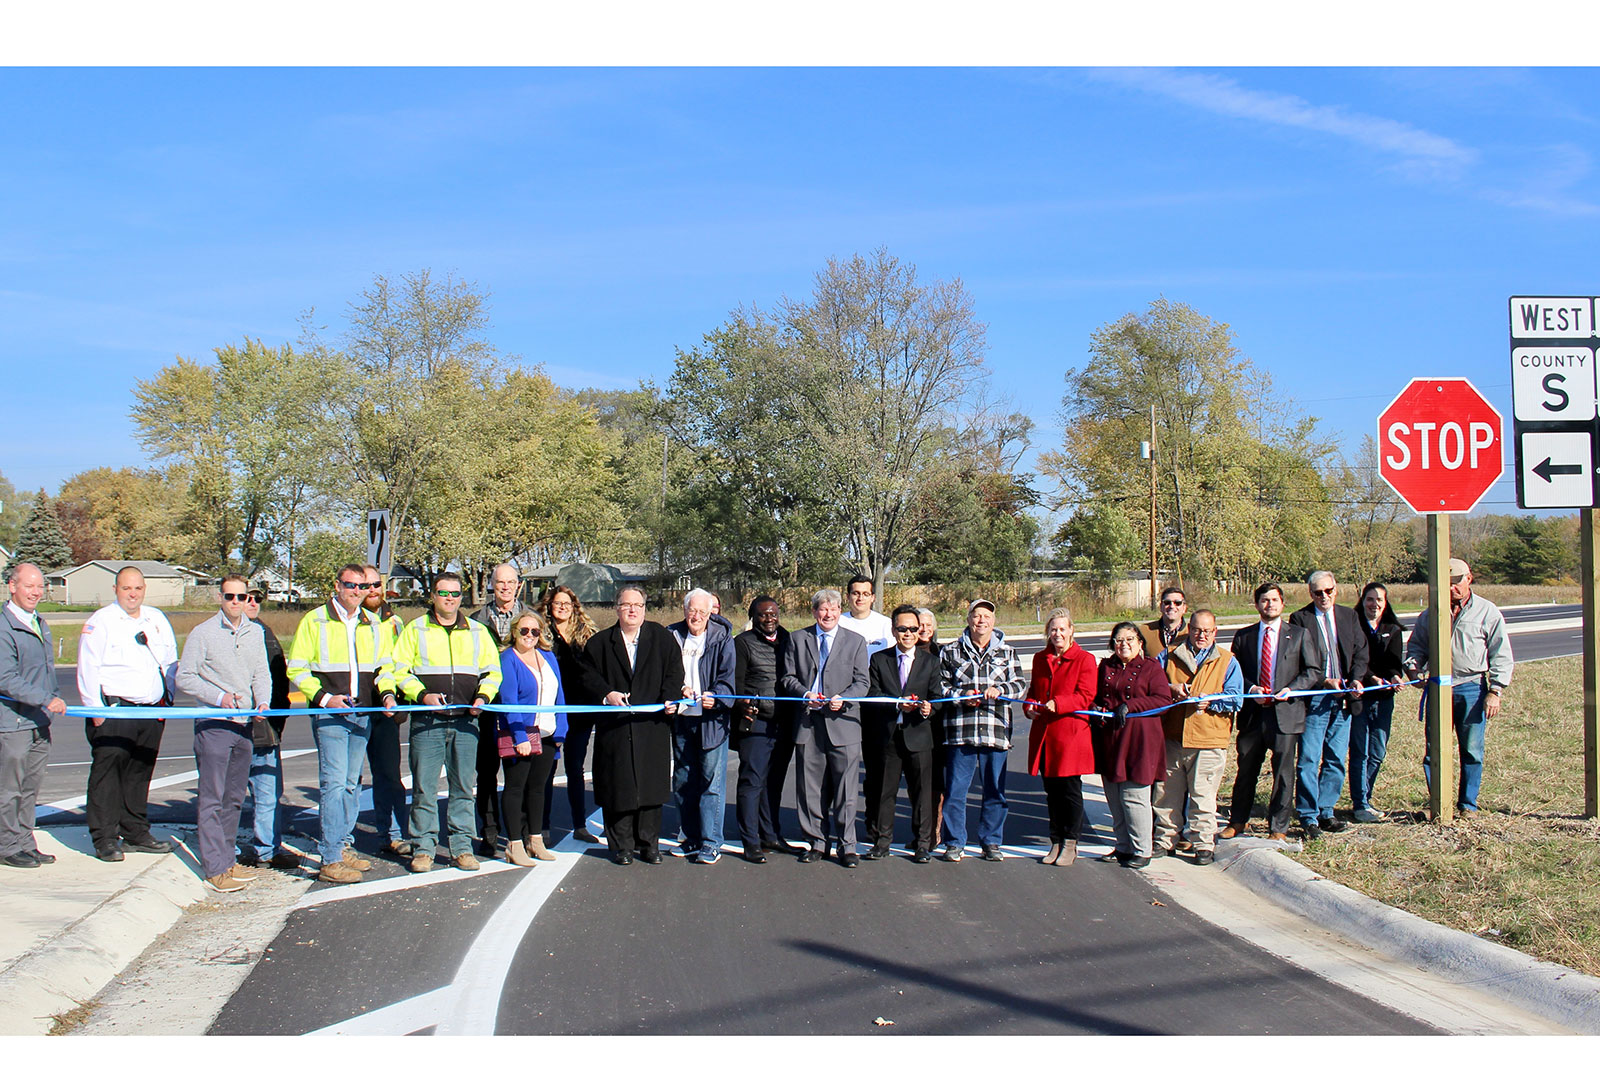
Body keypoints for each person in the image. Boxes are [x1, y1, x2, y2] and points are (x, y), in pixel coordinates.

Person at [286, 563, 396, 884]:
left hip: (363, 713)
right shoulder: (315, 620)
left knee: (351, 783)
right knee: (333, 784)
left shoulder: (373, 622)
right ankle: (330, 857)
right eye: (350, 586)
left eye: (362, 587)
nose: (357, 592)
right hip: (330, 714)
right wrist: (324, 698)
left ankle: (344, 844)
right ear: (337, 586)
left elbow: (384, 666)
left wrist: (387, 694)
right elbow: (297, 669)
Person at [387, 573, 502, 873]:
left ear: (461, 597)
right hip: (427, 723)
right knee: (424, 788)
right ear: (433, 595)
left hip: (466, 723)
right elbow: (399, 671)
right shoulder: (415, 630)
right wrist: (422, 695)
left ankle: (461, 848)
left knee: (463, 787)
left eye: (455, 593)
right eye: (443, 593)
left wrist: (483, 697)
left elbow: (493, 672)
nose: (449, 598)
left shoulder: (477, 631)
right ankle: (423, 848)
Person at [74, 565, 179, 863]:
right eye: (126, 588)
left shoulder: (156, 619)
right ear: (115, 590)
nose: (132, 594)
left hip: (150, 711)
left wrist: (165, 701)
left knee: (139, 772)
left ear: (144, 590)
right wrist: (96, 710)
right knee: (108, 775)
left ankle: (135, 832)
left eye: (137, 589)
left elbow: (170, 662)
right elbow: (88, 668)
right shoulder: (102, 621)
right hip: (114, 710)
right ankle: (105, 838)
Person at [177, 575, 272, 893]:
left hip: (244, 726)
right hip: (214, 726)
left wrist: (262, 701)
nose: (236, 601)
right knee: (212, 798)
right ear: (220, 597)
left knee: (234, 798)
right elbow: (185, 677)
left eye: (242, 597)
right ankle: (214, 868)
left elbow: (261, 672)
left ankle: (227, 861)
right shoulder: (202, 633)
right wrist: (219, 698)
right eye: (230, 596)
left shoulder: (255, 632)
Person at [579, 586, 686, 865]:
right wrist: (606, 694)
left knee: (651, 787)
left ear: (644, 609)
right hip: (615, 726)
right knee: (618, 787)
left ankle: (649, 844)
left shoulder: (661, 638)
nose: (632, 610)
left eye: (637, 605)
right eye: (626, 605)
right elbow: (587, 677)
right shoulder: (600, 643)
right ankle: (621, 845)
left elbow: (675, 672)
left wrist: (669, 698)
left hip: (651, 726)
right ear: (617, 608)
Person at [1404, 558, 1514, 817]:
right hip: (1438, 688)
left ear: (1469, 578)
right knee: (1434, 750)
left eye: (1456, 582)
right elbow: (1417, 647)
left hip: (1472, 687)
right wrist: (1413, 667)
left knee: (1472, 750)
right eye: (1447, 583)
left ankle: (1467, 805)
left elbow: (1501, 653)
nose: (1452, 588)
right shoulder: (1431, 613)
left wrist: (1495, 691)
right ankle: (1439, 804)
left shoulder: (1487, 612)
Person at [1223, 583, 1324, 842]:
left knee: (1283, 773)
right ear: (1257, 605)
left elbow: (1313, 670)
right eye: (1265, 600)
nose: (1270, 605)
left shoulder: (1299, 635)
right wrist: (1251, 688)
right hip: (1253, 715)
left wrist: (1292, 689)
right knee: (1246, 770)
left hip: (1286, 714)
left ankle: (1278, 827)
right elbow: (1234, 675)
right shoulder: (1244, 636)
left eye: (1274, 600)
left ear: (1283, 603)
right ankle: (1237, 821)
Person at [779, 588, 870, 868]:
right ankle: (817, 842)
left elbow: (862, 683)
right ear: (814, 611)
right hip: (809, 724)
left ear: (839, 610)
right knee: (810, 790)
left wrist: (844, 698)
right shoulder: (797, 639)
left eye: (832, 609)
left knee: (846, 791)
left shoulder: (855, 642)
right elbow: (787, 678)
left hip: (844, 725)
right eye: (822, 609)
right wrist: (805, 694)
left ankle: (847, 845)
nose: (827, 614)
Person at [938, 598, 1026, 863]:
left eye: (987, 616)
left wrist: (999, 691)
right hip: (960, 732)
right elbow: (940, 686)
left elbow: (1019, 685)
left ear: (994, 621)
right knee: (955, 791)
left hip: (995, 731)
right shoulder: (950, 651)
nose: (981, 621)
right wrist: (961, 695)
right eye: (977, 615)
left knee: (994, 791)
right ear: (968, 619)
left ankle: (991, 841)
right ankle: (954, 843)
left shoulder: (1008, 652)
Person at [1153, 609, 1243, 866]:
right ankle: (1164, 840)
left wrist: (1212, 701)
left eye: (1207, 631)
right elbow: (1153, 685)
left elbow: (1237, 698)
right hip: (1173, 737)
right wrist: (1171, 689)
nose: (1201, 635)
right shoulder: (1169, 655)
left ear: (1215, 632)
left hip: (1208, 740)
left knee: (1202, 796)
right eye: (1196, 630)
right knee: (1166, 794)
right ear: (1188, 629)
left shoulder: (1227, 661)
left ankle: (1203, 843)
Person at [1288, 571, 1369, 838]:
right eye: (1317, 592)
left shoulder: (1349, 616)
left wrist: (1355, 680)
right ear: (1310, 594)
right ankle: (1308, 815)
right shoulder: (1300, 619)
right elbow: (1297, 661)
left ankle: (1326, 811)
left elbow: (1360, 652)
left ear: (1337, 589)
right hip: (1315, 699)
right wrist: (1324, 682)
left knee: (1335, 758)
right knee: (1309, 759)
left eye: (1328, 591)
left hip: (1344, 699)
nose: (1324, 597)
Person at [0, 563, 67, 869]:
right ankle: (7, 845)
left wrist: (48, 702)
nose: (36, 592)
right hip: (12, 723)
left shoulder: (39, 622)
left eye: (40, 586)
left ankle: (25, 841)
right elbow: (6, 678)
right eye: (29, 586)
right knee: (9, 789)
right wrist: (46, 699)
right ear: (12, 587)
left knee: (30, 788)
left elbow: (45, 670)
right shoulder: (4, 626)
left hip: (39, 721)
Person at [864, 604, 942, 862]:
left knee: (921, 793)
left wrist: (929, 708)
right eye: (902, 628)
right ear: (893, 629)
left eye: (912, 629)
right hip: (888, 735)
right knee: (885, 792)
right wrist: (897, 703)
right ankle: (882, 842)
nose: (908, 633)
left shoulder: (930, 662)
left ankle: (922, 844)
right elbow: (872, 694)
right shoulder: (879, 659)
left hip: (919, 735)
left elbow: (938, 698)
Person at [1092, 622, 1171, 869]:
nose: (1123, 644)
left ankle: (1142, 849)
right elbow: (1096, 696)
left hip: (1139, 741)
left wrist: (1131, 706)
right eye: (1118, 640)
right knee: (1114, 796)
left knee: (1133, 796)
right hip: (1111, 740)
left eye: (1129, 639)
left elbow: (1163, 699)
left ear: (1139, 642)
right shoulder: (1106, 666)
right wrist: (1096, 708)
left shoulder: (1151, 668)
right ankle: (1123, 846)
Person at [667, 588, 736, 864]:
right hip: (682, 719)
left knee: (711, 783)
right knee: (683, 781)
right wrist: (673, 692)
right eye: (692, 610)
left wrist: (715, 696)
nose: (696, 616)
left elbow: (729, 680)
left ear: (711, 613)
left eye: (702, 612)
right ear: (684, 611)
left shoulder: (722, 639)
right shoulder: (671, 635)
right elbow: (664, 673)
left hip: (711, 722)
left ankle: (711, 842)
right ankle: (691, 837)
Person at [1023, 607, 1097, 867]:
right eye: (1053, 629)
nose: (1057, 634)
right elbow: (1033, 690)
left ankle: (1071, 842)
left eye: (1062, 629)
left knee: (1070, 791)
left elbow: (1087, 695)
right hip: (1045, 736)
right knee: (1051, 792)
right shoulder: (1040, 658)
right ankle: (1055, 840)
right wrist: (1030, 706)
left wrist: (1060, 702)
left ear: (1071, 631)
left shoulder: (1085, 659)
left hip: (1070, 736)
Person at [471, 563, 534, 858]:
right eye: (500, 583)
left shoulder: (530, 619)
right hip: (486, 705)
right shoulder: (475, 621)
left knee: (519, 776)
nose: (505, 587)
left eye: (511, 582)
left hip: (520, 709)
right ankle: (488, 832)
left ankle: (520, 834)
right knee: (486, 773)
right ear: (492, 585)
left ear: (518, 585)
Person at [497, 611, 566, 865]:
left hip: (547, 734)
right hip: (522, 735)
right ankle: (514, 844)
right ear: (515, 632)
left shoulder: (548, 657)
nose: (529, 636)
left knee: (538, 789)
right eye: (524, 631)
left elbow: (560, 697)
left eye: (534, 631)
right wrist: (518, 736)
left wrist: (561, 731)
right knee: (515, 788)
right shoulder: (508, 659)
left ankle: (535, 840)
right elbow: (509, 701)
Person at [240, 585, 299, 869]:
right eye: (243, 598)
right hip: (231, 727)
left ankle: (267, 850)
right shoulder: (215, 634)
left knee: (268, 793)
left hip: (265, 729)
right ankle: (223, 854)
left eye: (255, 599)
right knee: (227, 795)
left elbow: (280, 683)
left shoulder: (266, 634)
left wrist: (277, 722)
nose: (252, 603)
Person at [731, 595, 792, 863]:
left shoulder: (789, 639)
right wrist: (744, 704)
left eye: (773, 614)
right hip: (756, 723)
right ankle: (750, 841)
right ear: (753, 618)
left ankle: (771, 834)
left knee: (774, 783)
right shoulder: (742, 643)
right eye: (763, 615)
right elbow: (736, 683)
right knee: (752, 782)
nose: (769, 619)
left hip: (784, 722)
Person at [543, 584, 601, 844]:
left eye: (567, 603)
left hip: (580, 709)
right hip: (550, 708)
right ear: (550, 605)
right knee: (546, 769)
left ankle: (580, 825)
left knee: (575, 768)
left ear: (574, 606)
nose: (562, 607)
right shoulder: (542, 633)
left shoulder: (587, 634)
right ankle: (541, 826)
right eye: (558, 603)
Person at [362, 564, 409, 860]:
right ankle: (340, 843)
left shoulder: (395, 622)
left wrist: (399, 698)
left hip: (385, 709)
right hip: (352, 708)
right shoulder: (344, 620)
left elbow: (403, 662)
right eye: (364, 585)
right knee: (348, 779)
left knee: (390, 775)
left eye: (375, 585)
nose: (371, 590)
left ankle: (392, 835)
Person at [1350, 582, 1407, 823]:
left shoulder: (1392, 629)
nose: (1374, 605)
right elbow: (1354, 660)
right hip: (1360, 697)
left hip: (1383, 699)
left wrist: (1395, 676)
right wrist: (1371, 678)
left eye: (1379, 600)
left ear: (1386, 603)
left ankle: (1366, 796)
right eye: (1370, 600)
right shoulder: (1353, 626)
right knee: (1360, 752)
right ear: (1363, 601)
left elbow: (1395, 663)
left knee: (1377, 752)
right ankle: (1359, 803)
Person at [838, 574, 893, 656]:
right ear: (848, 596)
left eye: (866, 594)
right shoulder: (838, 623)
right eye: (856, 593)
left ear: (873, 598)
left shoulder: (886, 624)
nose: (860, 598)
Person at [1139, 586, 1190, 658]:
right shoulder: (1144, 631)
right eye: (1167, 602)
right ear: (1161, 607)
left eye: (1177, 603)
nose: (1172, 606)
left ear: (1184, 608)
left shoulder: (1191, 633)